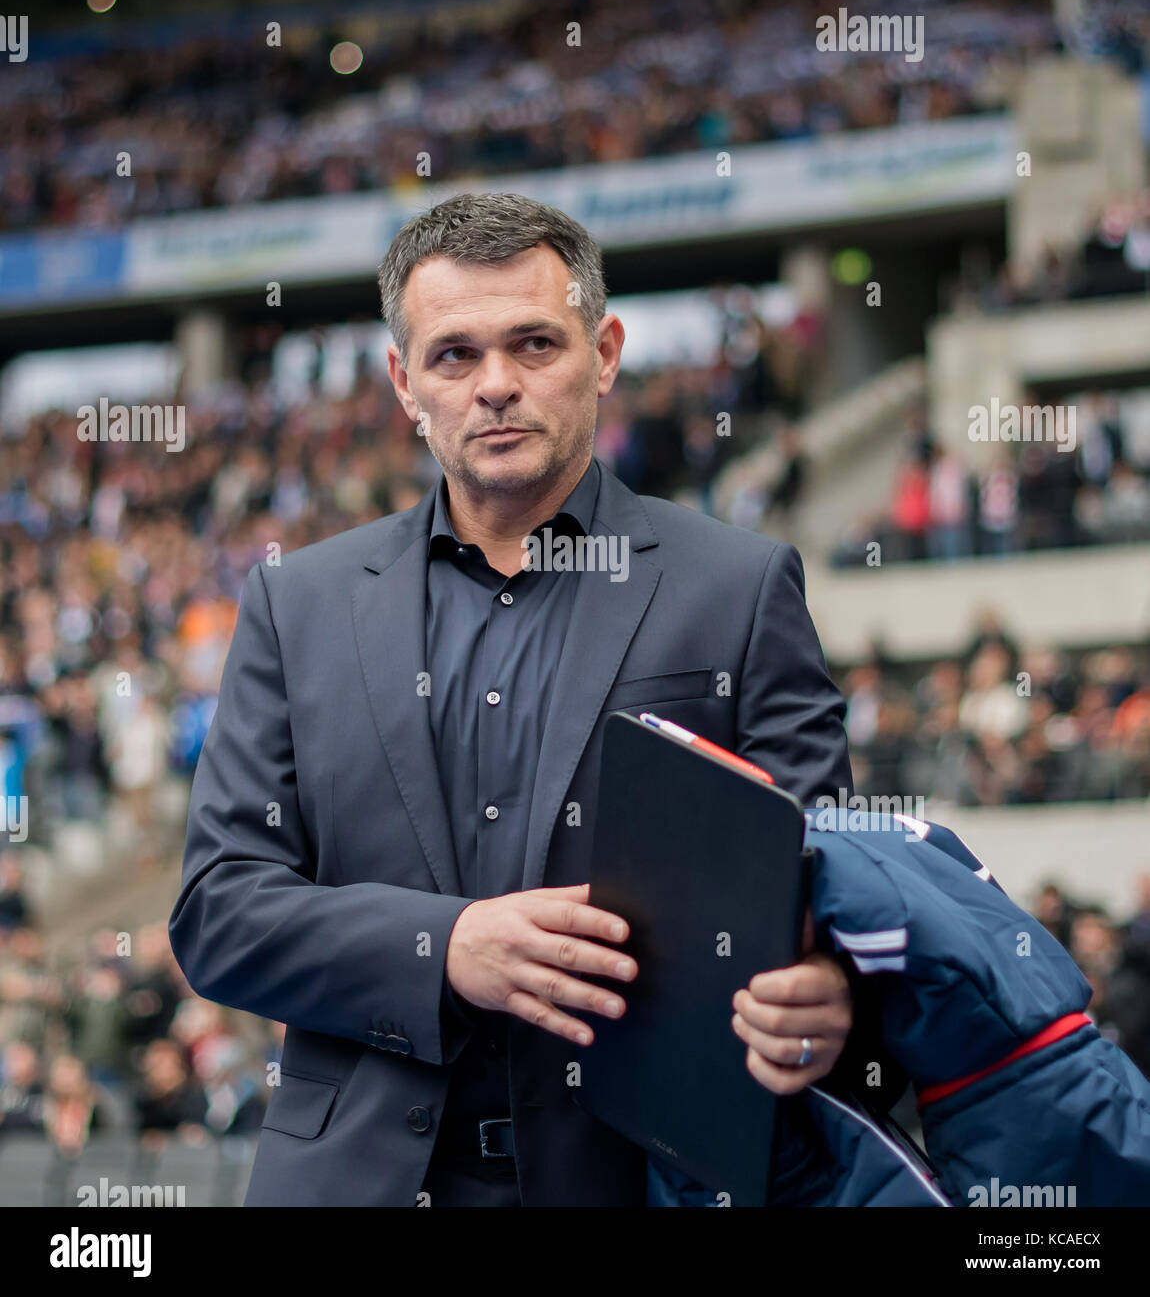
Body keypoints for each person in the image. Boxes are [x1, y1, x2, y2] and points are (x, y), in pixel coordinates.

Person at [170, 192, 858, 1207]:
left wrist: (830, 995)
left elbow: (831, 890)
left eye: (534, 343)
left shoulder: (738, 587)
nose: (495, 384)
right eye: (454, 355)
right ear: (404, 380)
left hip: (640, 1180)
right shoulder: (295, 604)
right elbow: (220, 913)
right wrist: (445, 947)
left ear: (605, 350)